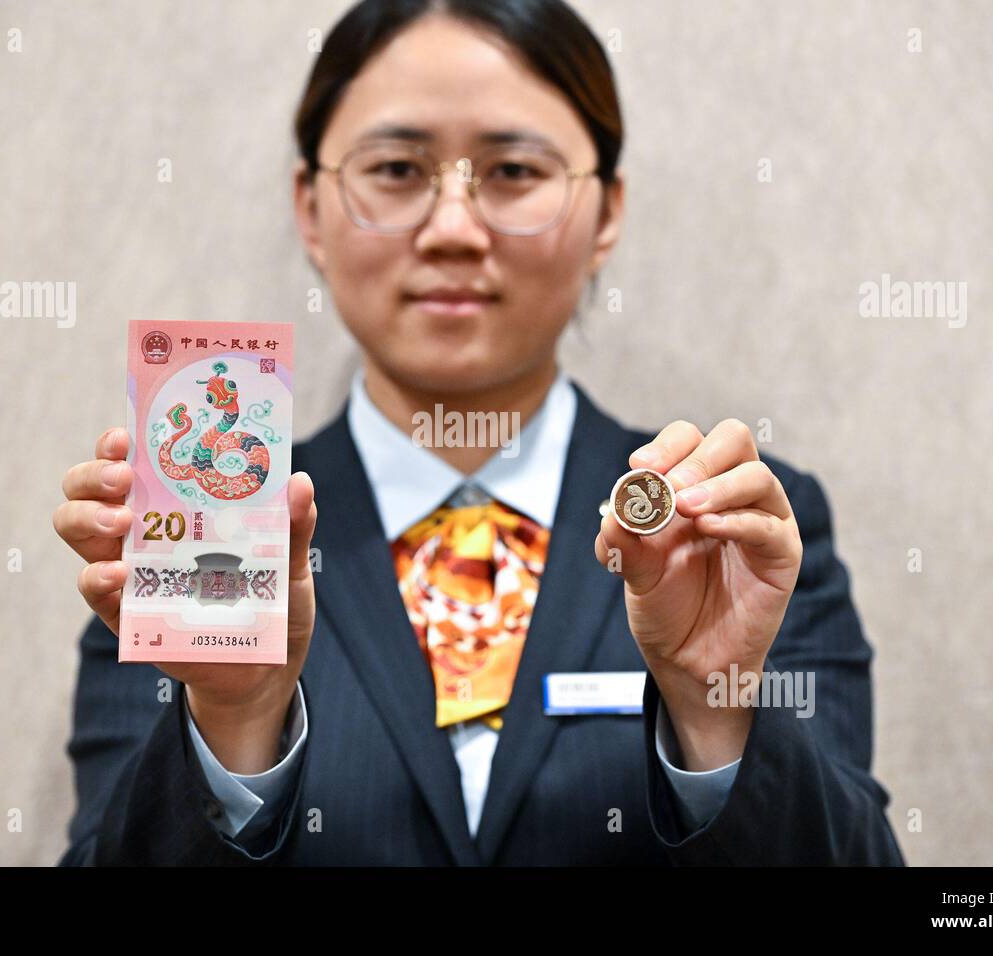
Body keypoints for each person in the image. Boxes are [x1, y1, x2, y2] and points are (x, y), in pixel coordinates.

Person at [53, 0, 904, 865]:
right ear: (309, 208)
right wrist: (232, 720)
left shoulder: (738, 533)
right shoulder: (187, 542)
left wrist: (714, 707)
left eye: (511, 171)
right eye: (394, 168)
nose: (454, 229)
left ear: (606, 212)